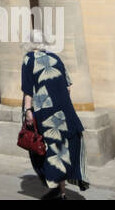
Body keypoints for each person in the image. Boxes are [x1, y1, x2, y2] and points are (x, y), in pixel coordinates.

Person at [21, 30, 89, 200]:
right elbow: (68, 87)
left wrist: (27, 110)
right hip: (65, 113)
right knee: (61, 149)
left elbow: (28, 90)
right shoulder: (56, 58)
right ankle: (61, 192)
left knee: (43, 150)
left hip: (45, 114)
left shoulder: (29, 59)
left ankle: (57, 189)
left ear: (29, 43)